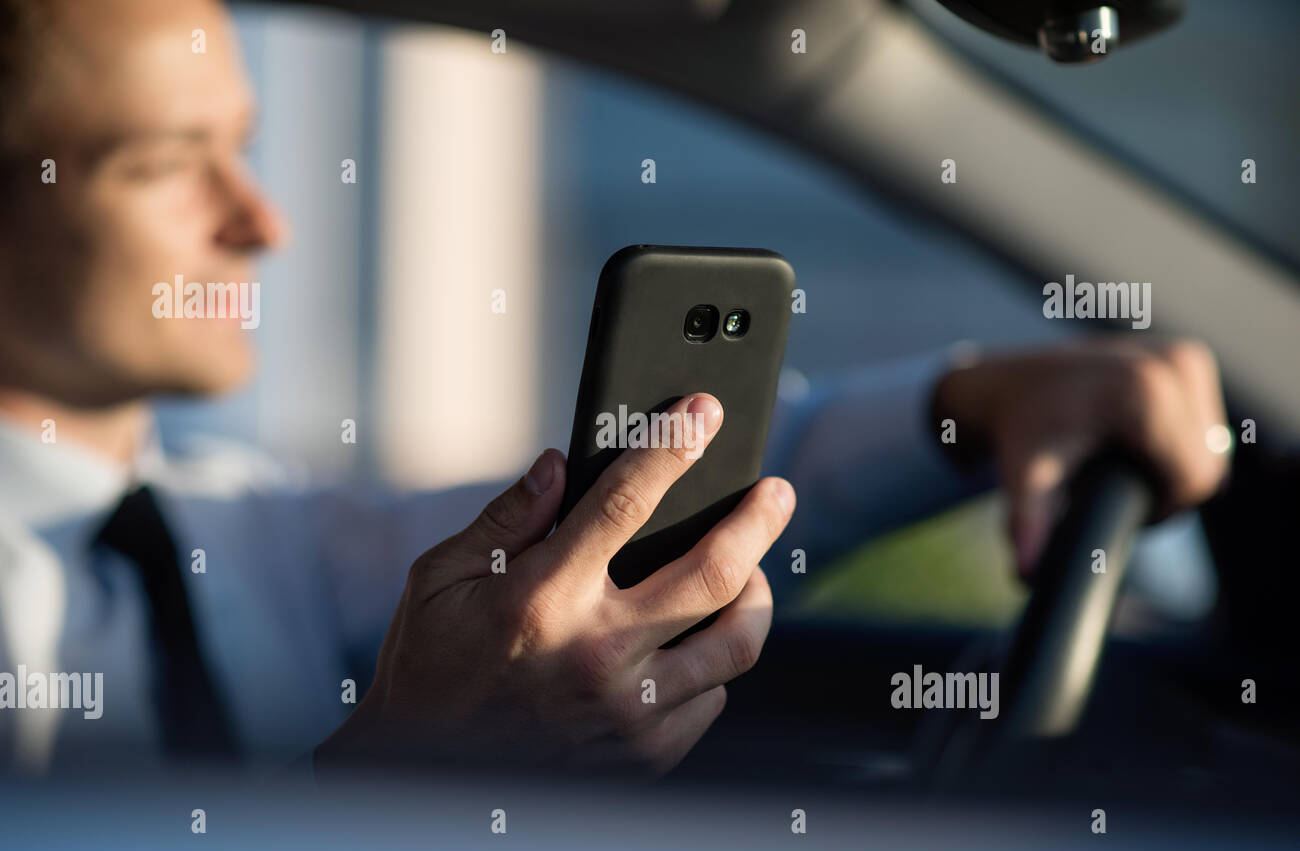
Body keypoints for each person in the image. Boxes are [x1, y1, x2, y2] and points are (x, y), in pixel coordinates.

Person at [0, 0, 1229, 781]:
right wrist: (406, 773)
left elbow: (621, 507)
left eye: (241, 147)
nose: (258, 221)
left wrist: (968, 403)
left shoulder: (233, 527)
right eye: (163, 163)